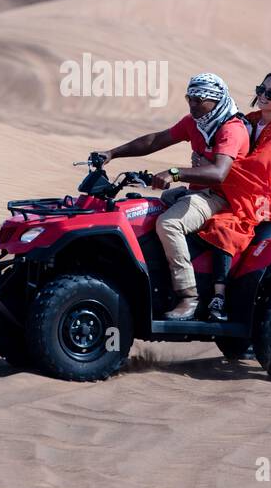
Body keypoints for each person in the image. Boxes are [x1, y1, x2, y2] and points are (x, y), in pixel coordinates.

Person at [92, 73, 249, 319]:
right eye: (189, 98)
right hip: (199, 191)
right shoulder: (197, 122)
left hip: (222, 197)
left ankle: (188, 296)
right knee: (147, 207)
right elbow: (156, 140)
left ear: (216, 100)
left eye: (198, 100)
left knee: (169, 223)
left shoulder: (231, 129)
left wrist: (175, 173)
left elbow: (219, 173)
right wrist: (112, 153)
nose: (192, 104)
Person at [198, 69, 271, 320]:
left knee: (223, 225)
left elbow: (258, 167)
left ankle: (219, 296)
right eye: (261, 89)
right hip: (237, 192)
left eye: (270, 93)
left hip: (261, 202)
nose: (262, 95)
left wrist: (211, 166)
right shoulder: (250, 120)